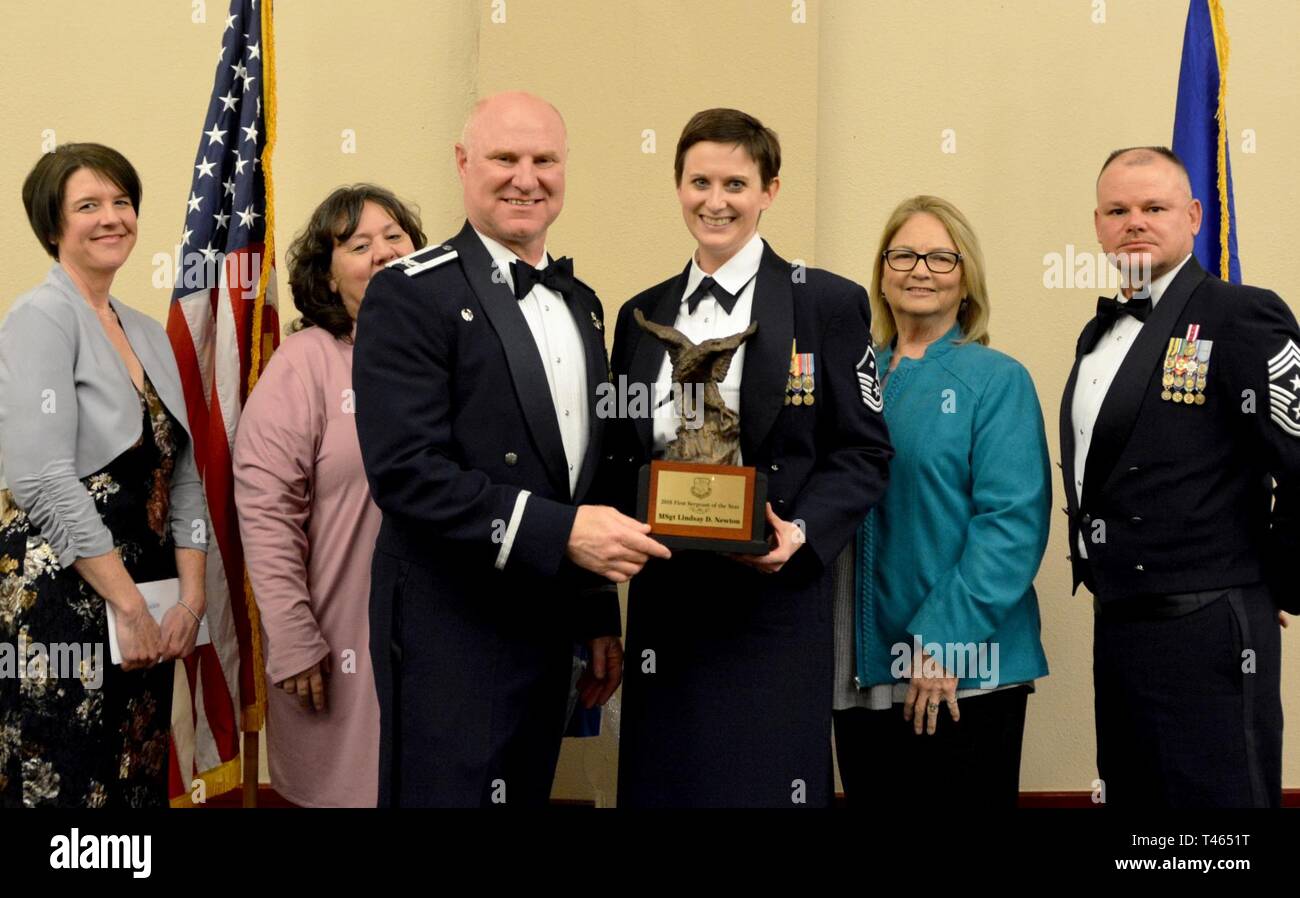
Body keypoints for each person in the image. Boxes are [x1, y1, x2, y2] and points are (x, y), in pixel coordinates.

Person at [352, 91, 670, 807]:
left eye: (544, 160)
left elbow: (585, 474)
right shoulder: (409, 294)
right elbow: (406, 473)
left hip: (548, 626)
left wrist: (597, 614)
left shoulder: (584, 303)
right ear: (463, 163)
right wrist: (564, 535)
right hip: (451, 628)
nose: (526, 178)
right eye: (504, 158)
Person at [605, 108, 893, 807]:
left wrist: (803, 535)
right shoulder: (639, 314)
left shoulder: (825, 302)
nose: (716, 200)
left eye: (736, 183)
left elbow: (864, 451)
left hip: (774, 601)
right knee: (665, 788)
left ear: (770, 191)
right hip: (666, 602)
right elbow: (617, 454)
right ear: (679, 187)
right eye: (700, 181)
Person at [1062, 146, 1296, 807]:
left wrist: (1279, 575)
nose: (1134, 221)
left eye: (1154, 207)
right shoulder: (1097, 335)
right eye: (1117, 210)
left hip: (1208, 625)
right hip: (1119, 624)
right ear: (1099, 225)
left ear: (1193, 216)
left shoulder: (1241, 314)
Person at [0, 143, 208, 807]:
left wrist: (192, 599)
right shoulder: (37, 318)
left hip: (147, 607)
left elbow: (184, 474)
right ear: (52, 225)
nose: (112, 217)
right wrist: (126, 603)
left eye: (122, 201)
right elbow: (42, 479)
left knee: (133, 787)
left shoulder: (147, 331)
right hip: (67, 604)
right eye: (88, 205)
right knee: (68, 794)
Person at [831, 195, 1050, 808]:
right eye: (903, 255)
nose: (919, 270)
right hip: (860, 673)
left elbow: (1012, 525)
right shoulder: (850, 376)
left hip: (958, 670)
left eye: (940, 257)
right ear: (882, 272)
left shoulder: (996, 379)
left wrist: (944, 641)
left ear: (966, 277)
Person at [233, 184, 425, 807]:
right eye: (359, 245)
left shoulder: (449, 353)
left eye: (395, 237)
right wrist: (293, 638)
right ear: (327, 275)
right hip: (339, 640)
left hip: (441, 637)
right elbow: (266, 513)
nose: (384, 252)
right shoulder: (305, 363)